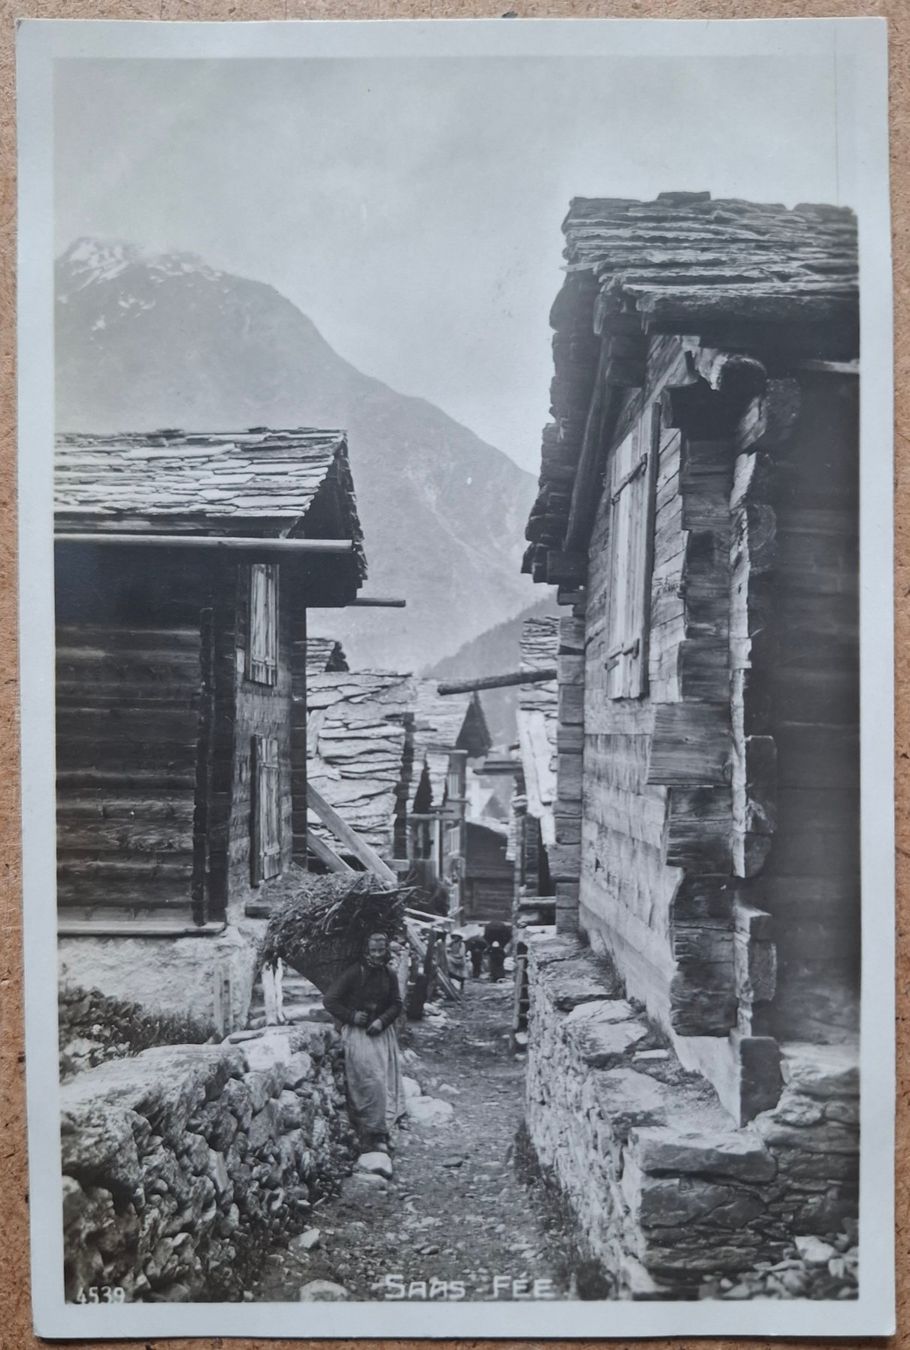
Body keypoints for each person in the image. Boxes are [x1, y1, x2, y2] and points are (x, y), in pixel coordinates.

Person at [323, 931, 404, 1157]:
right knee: (368, 1080)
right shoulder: (353, 973)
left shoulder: (389, 973)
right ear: (365, 951)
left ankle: (381, 1131)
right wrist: (351, 1016)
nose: (377, 956)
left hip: (381, 1034)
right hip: (358, 1035)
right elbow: (330, 1000)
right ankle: (367, 1132)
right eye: (373, 951)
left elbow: (397, 1004)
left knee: (384, 1081)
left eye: (381, 951)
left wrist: (382, 1020)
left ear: (386, 950)